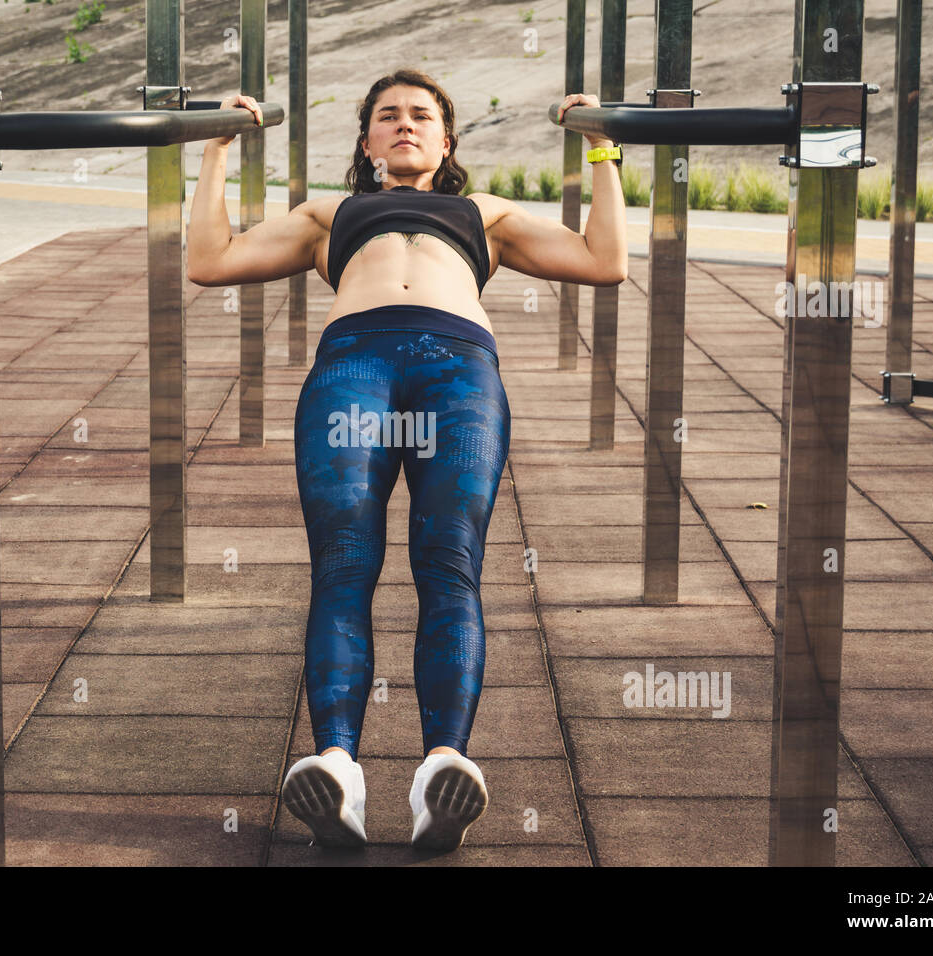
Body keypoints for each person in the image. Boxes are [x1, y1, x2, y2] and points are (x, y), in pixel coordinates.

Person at [187, 68, 626, 851]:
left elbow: (604, 261)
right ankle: (337, 772)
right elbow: (210, 261)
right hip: (355, 368)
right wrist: (217, 148)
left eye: (421, 116)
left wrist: (600, 149)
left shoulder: (482, 213)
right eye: (386, 116)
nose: (404, 125)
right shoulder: (331, 212)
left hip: (458, 372)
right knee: (344, 563)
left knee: (448, 562)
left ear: (447, 140)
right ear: (366, 142)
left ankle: (440, 774)